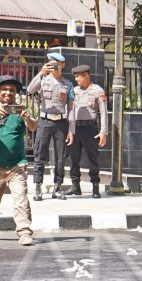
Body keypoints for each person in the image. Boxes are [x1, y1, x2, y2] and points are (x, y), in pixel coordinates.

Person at [0, 77, 38, 245]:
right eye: (4, 89)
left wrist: (27, 118)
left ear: (15, 93)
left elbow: (33, 127)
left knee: (21, 200)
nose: (8, 93)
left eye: (11, 90)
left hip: (17, 165)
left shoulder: (20, 109)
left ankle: (24, 232)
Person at [26, 52, 72, 201]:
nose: (54, 66)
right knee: (40, 155)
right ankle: (38, 187)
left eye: (56, 63)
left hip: (61, 123)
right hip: (45, 121)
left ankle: (57, 188)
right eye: (51, 63)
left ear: (63, 65)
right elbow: (29, 90)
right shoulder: (44, 80)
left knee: (60, 157)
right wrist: (41, 73)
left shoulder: (68, 84)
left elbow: (71, 109)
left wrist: (71, 130)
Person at [65, 64, 108, 198]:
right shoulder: (74, 91)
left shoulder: (97, 90)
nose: (76, 79)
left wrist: (103, 132)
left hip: (90, 128)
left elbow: (103, 112)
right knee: (74, 158)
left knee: (92, 158)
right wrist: (68, 129)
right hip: (75, 128)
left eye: (78, 76)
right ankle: (75, 186)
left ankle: (95, 187)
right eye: (75, 77)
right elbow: (69, 110)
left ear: (86, 75)